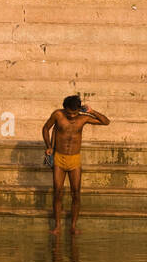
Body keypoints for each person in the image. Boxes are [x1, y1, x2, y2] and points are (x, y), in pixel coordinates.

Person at [41, 94, 110, 234]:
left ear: (79, 110)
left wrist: (92, 111)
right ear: (64, 109)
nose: (72, 116)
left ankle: (73, 226)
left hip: (75, 159)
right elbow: (45, 128)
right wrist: (48, 146)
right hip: (59, 158)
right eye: (69, 113)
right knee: (58, 192)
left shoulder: (83, 118)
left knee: (76, 193)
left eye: (74, 113)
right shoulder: (58, 115)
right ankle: (57, 226)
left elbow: (106, 122)